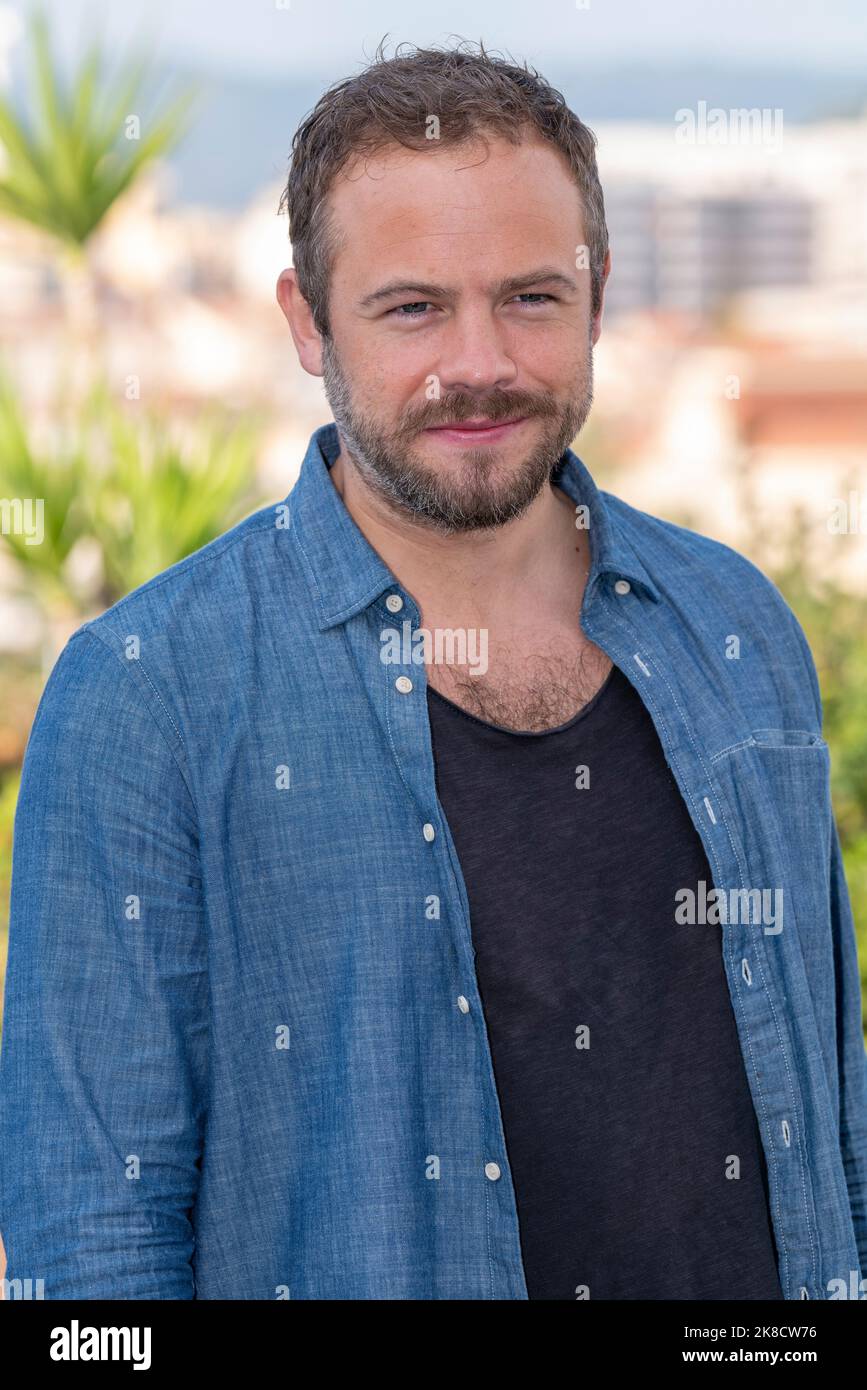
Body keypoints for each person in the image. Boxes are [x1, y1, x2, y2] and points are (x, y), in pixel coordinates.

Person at [1, 40, 865, 1301]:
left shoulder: (735, 626)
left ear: (600, 295)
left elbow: (831, 1115)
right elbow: (90, 1262)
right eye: (413, 307)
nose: (481, 363)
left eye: (530, 297)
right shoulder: (147, 696)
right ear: (306, 319)